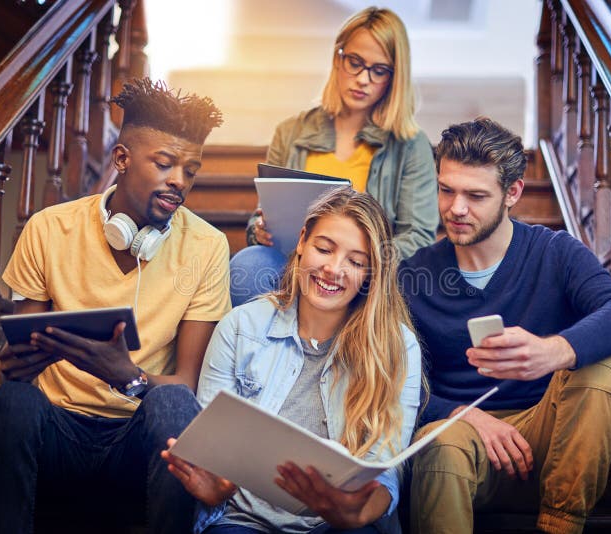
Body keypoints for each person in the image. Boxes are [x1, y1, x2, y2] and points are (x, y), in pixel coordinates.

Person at [0, 79, 231, 533]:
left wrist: (127, 376)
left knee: (174, 401)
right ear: (121, 159)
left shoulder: (207, 246)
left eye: (190, 170)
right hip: (58, 432)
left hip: (136, 443)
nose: (179, 180)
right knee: (13, 401)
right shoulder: (49, 229)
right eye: (164, 164)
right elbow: (22, 354)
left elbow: (187, 383)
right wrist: (13, 364)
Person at [399, 118, 611, 534]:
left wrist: (553, 351)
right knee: (441, 443)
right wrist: (461, 414)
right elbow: (392, 385)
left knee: (598, 364)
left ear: (513, 193)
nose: (456, 208)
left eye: (476, 195)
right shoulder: (412, 277)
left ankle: (559, 527)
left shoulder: (555, 252)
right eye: (447, 190)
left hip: (551, 435)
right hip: (461, 444)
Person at [162, 187, 422, 533]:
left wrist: (355, 514)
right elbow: (214, 447)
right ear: (302, 241)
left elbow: (386, 469)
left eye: (356, 262)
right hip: (244, 519)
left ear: (371, 273)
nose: (333, 269)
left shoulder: (396, 346)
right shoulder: (240, 327)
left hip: (338, 526)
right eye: (324, 249)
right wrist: (215, 489)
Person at [229, 6, 438, 306]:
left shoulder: (410, 145)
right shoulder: (290, 132)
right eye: (355, 62)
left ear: (395, 77)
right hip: (297, 268)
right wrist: (260, 231)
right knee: (250, 265)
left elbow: (417, 237)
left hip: (364, 276)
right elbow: (262, 216)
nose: (363, 79)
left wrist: (358, 262)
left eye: (379, 70)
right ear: (338, 58)